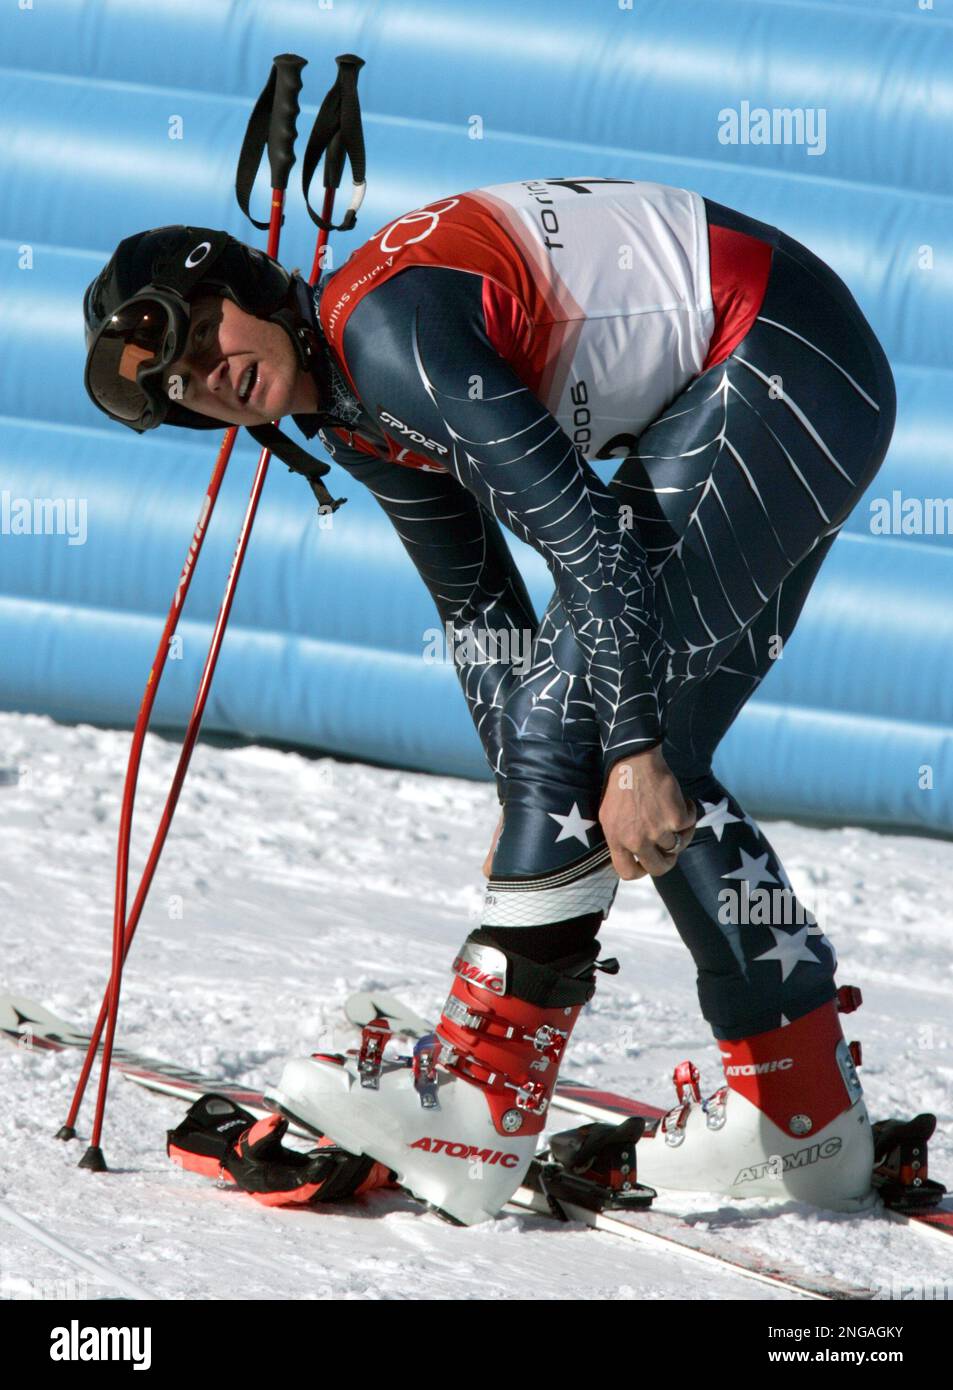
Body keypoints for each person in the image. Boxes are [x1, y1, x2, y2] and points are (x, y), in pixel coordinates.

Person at [84, 177, 896, 1225]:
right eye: (180, 387)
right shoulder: (352, 416)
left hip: (780, 358)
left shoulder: (385, 334)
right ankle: (802, 1108)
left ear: (245, 287)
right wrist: (536, 810)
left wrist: (608, 758)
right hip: (783, 374)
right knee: (602, 752)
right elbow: (483, 619)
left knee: (610, 736)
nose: (207, 375)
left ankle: (477, 1096)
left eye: (199, 332)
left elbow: (594, 546)